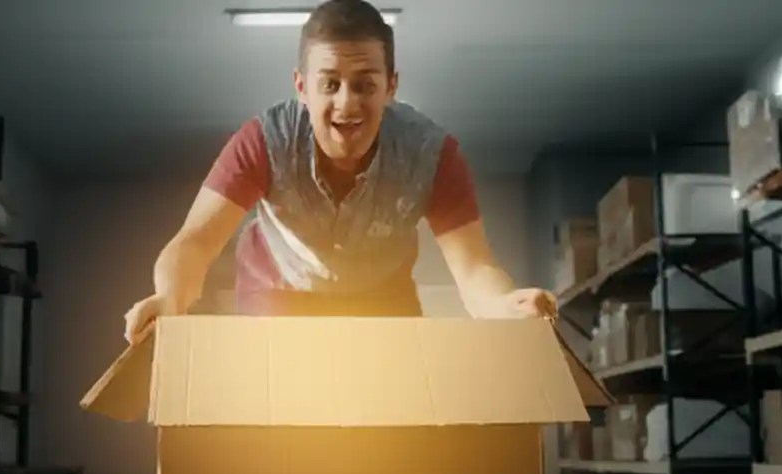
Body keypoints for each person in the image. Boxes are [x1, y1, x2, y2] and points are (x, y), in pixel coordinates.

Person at [124, 0, 556, 342]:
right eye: (329, 83)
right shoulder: (263, 141)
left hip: (383, 295)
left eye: (365, 84)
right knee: (284, 424)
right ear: (301, 88)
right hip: (279, 292)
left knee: (394, 429)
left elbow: (474, 268)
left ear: (391, 86)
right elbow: (196, 241)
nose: (347, 104)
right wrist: (170, 297)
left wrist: (506, 306)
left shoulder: (432, 154)